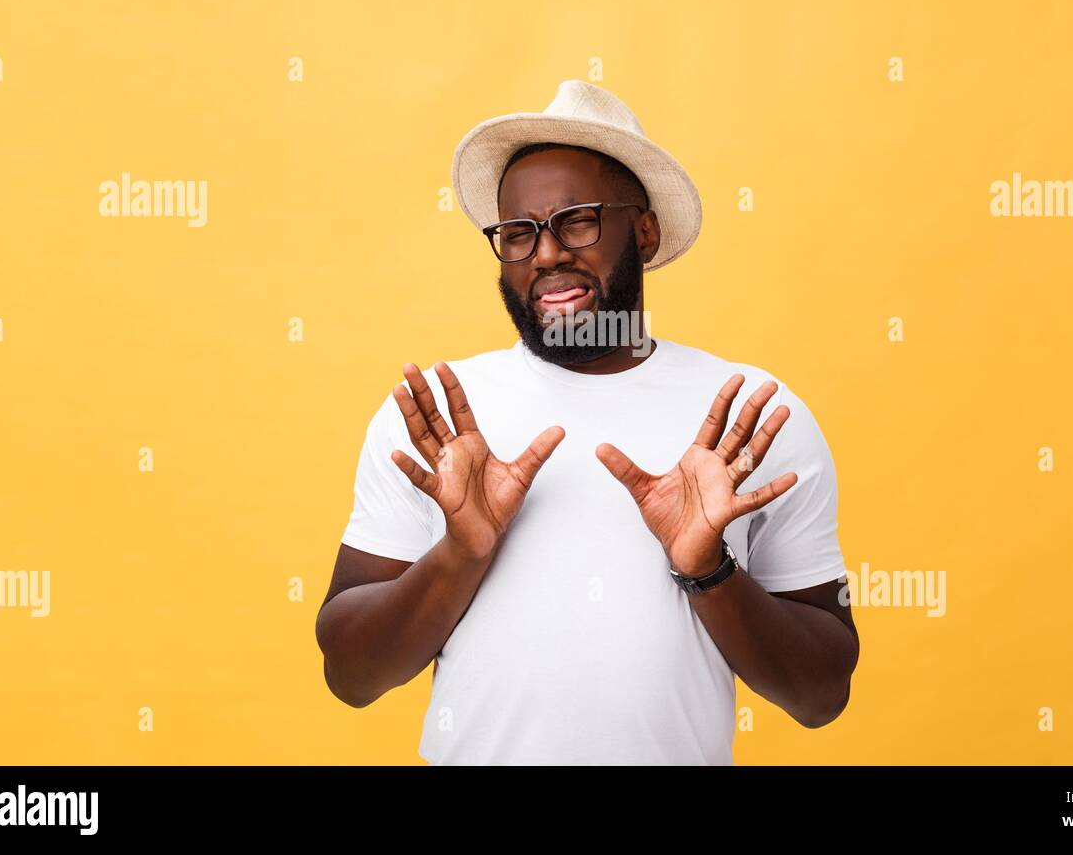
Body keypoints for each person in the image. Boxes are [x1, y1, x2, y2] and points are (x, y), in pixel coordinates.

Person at [315, 80, 859, 764]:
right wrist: (459, 554)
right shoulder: (437, 421)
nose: (546, 255)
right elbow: (352, 677)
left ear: (645, 231)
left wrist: (710, 570)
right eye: (518, 234)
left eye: (576, 221)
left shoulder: (748, 418)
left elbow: (820, 696)